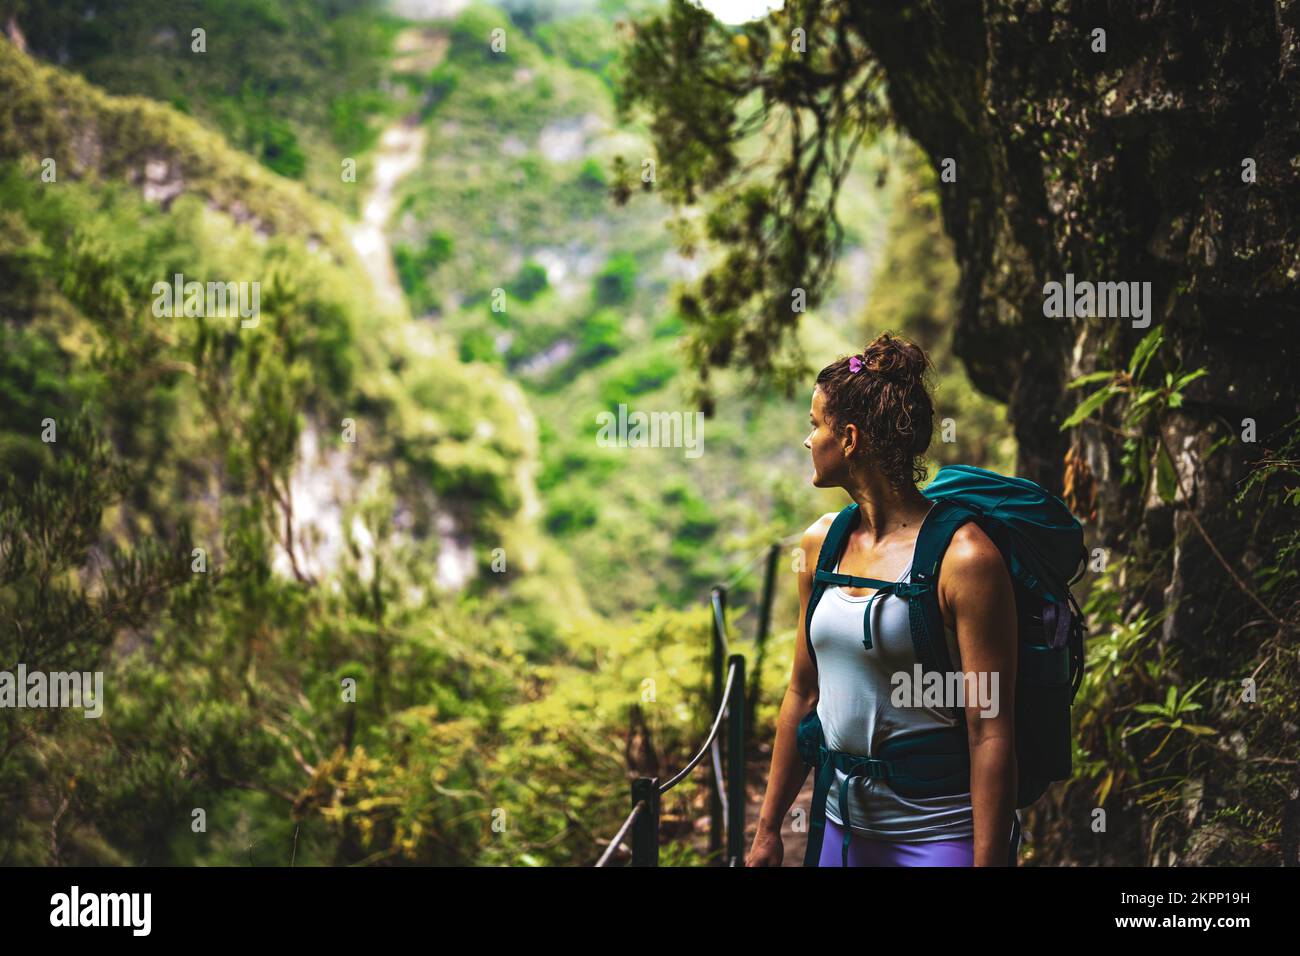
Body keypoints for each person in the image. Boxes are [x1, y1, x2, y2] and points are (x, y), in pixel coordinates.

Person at [747, 332, 1020, 867]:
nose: (808, 440)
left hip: (940, 832)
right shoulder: (820, 544)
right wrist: (766, 832)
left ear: (848, 438)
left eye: (814, 425)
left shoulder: (965, 559)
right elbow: (803, 692)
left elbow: (989, 727)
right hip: (838, 827)